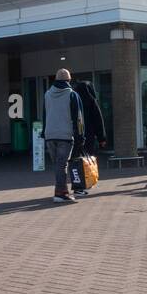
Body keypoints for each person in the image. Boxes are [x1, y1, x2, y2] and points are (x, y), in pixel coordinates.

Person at [43, 68, 84, 203]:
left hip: (50, 135)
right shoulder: (72, 95)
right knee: (62, 165)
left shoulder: (47, 94)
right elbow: (78, 118)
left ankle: (60, 191)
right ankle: (60, 194)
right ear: (69, 80)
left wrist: (44, 132)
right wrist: (80, 136)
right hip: (64, 135)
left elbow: (45, 115)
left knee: (58, 165)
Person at [69, 79, 108, 196]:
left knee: (75, 161)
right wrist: (102, 138)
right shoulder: (92, 101)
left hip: (74, 136)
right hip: (89, 136)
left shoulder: (73, 100)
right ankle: (84, 183)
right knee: (86, 161)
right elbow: (98, 120)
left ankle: (77, 186)